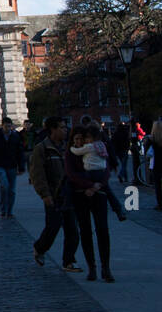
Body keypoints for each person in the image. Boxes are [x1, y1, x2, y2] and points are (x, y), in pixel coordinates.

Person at [29, 117, 80, 271]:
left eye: (65, 127)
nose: (65, 130)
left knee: (73, 230)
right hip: (53, 195)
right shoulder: (42, 148)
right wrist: (45, 194)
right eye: (62, 127)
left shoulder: (68, 148)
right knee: (53, 228)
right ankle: (40, 248)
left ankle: (68, 261)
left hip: (69, 195)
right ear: (53, 129)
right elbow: (37, 174)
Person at [65, 129, 114, 282]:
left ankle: (106, 267)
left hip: (98, 193)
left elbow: (106, 169)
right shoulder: (70, 154)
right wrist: (90, 185)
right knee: (85, 231)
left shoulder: (96, 148)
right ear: (73, 140)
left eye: (83, 138)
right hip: (81, 195)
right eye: (78, 138)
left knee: (103, 230)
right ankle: (91, 267)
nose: (81, 142)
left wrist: (96, 186)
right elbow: (71, 175)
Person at [70, 130, 126, 222]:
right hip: (101, 172)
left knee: (81, 183)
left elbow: (77, 152)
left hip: (90, 172)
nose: (86, 140)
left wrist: (72, 148)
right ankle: (119, 210)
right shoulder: (101, 145)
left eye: (87, 138)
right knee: (109, 192)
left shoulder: (90, 146)